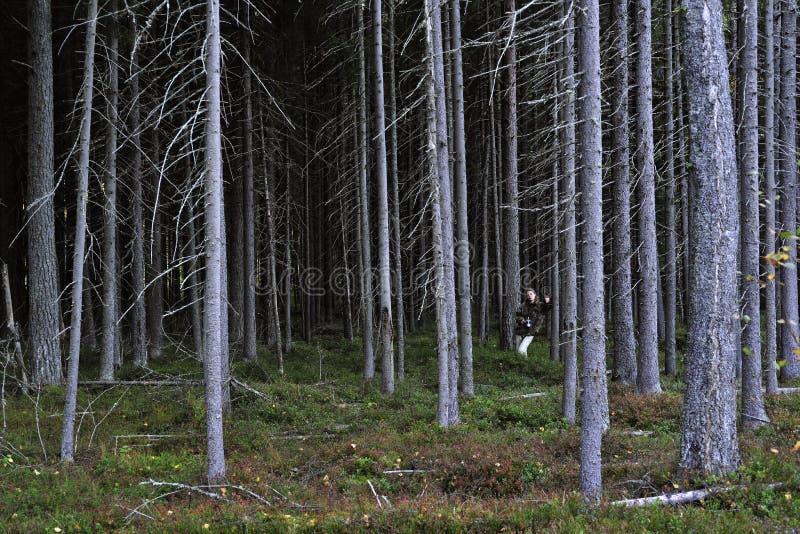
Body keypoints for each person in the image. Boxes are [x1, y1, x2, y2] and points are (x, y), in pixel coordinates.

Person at [514, 288, 551, 356]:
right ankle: (524, 362)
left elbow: (548, 307)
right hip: (521, 330)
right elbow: (517, 315)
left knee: (521, 351)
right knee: (521, 351)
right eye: (528, 295)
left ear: (535, 294)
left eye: (531, 294)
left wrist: (548, 302)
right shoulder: (524, 305)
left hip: (532, 331)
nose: (529, 296)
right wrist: (521, 320)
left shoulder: (540, 305)